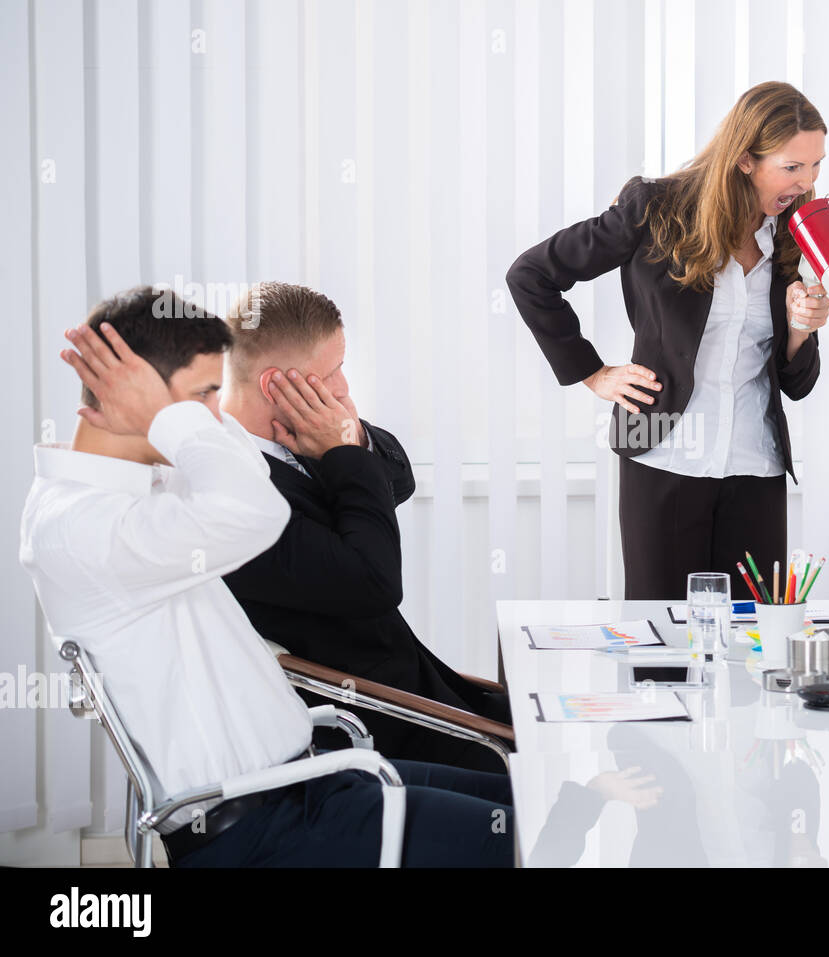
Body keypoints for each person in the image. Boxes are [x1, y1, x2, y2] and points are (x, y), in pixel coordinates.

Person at [19, 287, 513, 866]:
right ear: (145, 402)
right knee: (536, 836)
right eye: (203, 397)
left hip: (314, 781)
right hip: (264, 825)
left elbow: (253, 471)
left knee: (530, 803)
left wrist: (194, 405)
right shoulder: (84, 528)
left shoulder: (138, 493)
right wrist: (173, 414)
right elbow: (257, 509)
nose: (215, 415)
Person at [506, 81, 829, 601]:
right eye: (792, 167)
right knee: (662, 649)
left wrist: (800, 330)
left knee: (755, 645)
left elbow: (796, 383)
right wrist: (592, 373)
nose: (806, 182)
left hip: (756, 465)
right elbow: (531, 275)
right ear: (745, 159)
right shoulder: (656, 208)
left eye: (815, 166)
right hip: (664, 456)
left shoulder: (798, 231)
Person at [218, 282, 511, 774]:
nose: (343, 390)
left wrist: (349, 442)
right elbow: (373, 582)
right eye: (332, 372)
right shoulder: (233, 491)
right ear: (274, 385)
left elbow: (397, 479)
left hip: (423, 686)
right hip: (376, 721)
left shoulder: (301, 433)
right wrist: (344, 453)